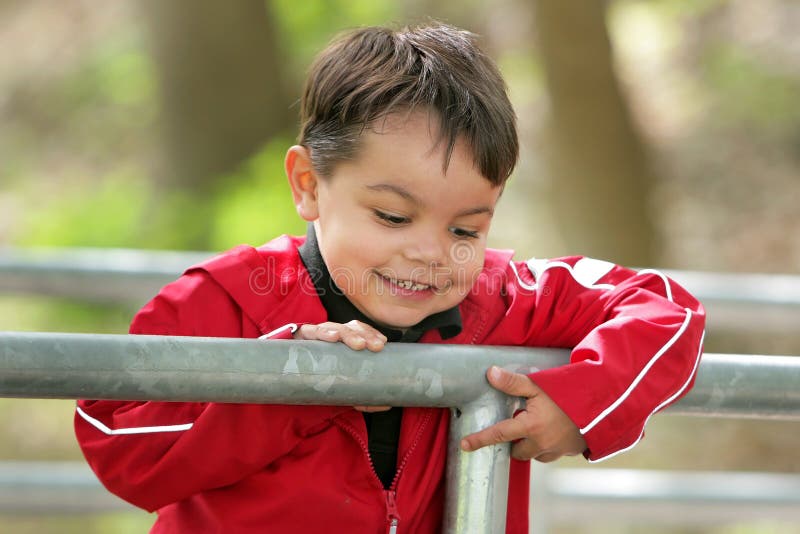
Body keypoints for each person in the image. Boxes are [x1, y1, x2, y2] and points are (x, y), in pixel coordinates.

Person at [75, 23, 705, 533]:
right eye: (393, 216)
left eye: (466, 229)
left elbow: (664, 306)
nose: (432, 253)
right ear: (308, 185)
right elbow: (115, 438)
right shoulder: (229, 298)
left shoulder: (506, 296)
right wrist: (284, 383)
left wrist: (584, 401)